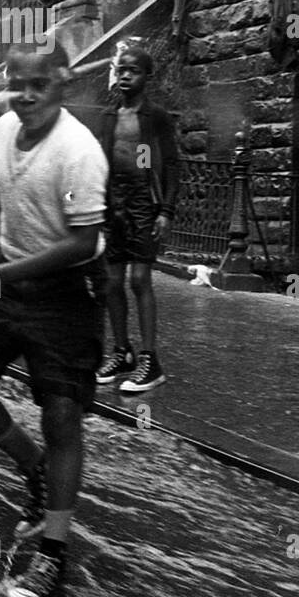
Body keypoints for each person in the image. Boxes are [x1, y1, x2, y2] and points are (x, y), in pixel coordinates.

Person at [0, 44, 109, 597]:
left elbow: (83, 243)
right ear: (7, 85)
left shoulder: (80, 152)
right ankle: (32, 467)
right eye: (18, 84)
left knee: (61, 412)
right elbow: (7, 208)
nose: (28, 96)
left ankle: (52, 557)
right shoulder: (4, 130)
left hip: (66, 293)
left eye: (40, 85)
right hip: (6, 281)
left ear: (62, 84)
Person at [94, 47, 180, 393]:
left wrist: (166, 211)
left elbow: (172, 164)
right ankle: (121, 351)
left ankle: (149, 359)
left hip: (144, 199)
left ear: (147, 77)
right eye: (122, 70)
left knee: (139, 278)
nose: (126, 76)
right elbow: (99, 159)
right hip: (114, 201)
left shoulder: (155, 117)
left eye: (134, 71)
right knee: (111, 281)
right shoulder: (108, 115)